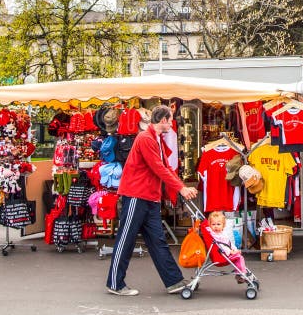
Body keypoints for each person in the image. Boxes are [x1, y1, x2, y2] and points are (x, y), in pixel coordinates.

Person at [106, 105, 198, 295]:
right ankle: (114, 283)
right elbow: (159, 168)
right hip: (136, 195)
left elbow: (162, 168)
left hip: (148, 196)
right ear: (163, 120)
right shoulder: (146, 138)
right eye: (170, 119)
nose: (172, 123)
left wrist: (179, 186)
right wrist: (180, 188)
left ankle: (174, 281)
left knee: (158, 240)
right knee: (126, 239)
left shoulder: (154, 138)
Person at [207, 210, 250, 283]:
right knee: (239, 258)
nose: (216, 226)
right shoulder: (214, 235)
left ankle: (240, 272)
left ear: (223, 225)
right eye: (213, 224)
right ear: (210, 225)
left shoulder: (222, 234)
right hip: (221, 255)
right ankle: (241, 274)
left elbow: (229, 243)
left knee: (238, 256)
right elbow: (220, 246)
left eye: (218, 224)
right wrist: (230, 251)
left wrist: (235, 249)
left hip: (225, 252)